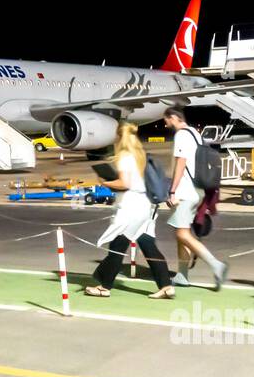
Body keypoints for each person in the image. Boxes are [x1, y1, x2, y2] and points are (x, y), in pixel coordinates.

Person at [85, 124, 173, 297]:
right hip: (146, 204)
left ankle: (104, 286)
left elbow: (124, 183)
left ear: (120, 137)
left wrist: (105, 182)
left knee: (118, 245)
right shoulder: (141, 155)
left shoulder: (125, 156)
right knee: (147, 244)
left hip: (131, 204)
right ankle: (165, 285)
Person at [162, 106, 228, 289]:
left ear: (174, 117)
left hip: (185, 191)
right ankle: (182, 275)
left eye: (166, 120)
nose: (166, 124)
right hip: (198, 189)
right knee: (182, 233)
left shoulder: (181, 135)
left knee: (182, 233)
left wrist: (172, 190)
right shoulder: (195, 133)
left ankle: (217, 266)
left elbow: (181, 163)